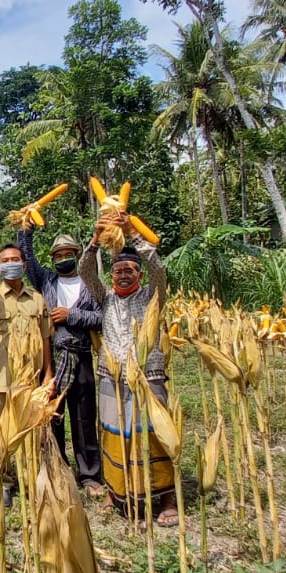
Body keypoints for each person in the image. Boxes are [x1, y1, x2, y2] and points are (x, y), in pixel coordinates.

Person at [79, 212, 175, 525]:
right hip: (112, 377)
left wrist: (132, 230)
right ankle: (115, 493)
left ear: (139, 275)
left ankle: (167, 498)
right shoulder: (104, 298)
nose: (123, 275)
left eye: (130, 270)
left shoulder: (151, 296)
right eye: (118, 270)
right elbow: (85, 271)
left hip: (148, 376)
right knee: (113, 434)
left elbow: (158, 267)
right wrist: (95, 241)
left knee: (154, 434)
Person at [18, 226, 105, 497]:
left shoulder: (92, 285)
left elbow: (103, 318)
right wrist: (26, 230)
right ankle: (57, 467)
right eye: (58, 255)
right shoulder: (46, 281)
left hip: (81, 354)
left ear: (77, 255)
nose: (63, 258)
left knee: (84, 415)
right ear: (53, 259)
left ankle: (90, 475)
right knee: (53, 414)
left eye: (68, 254)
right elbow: (27, 257)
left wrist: (72, 315)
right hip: (54, 358)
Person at [0, 244, 53, 507]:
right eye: (5, 260)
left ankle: (30, 479)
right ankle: (3, 482)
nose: (11, 263)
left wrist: (48, 373)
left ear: (24, 265)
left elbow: (46, 337)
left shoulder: (37, 299)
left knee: (30, 431)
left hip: (29, 379)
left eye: (15, 259)